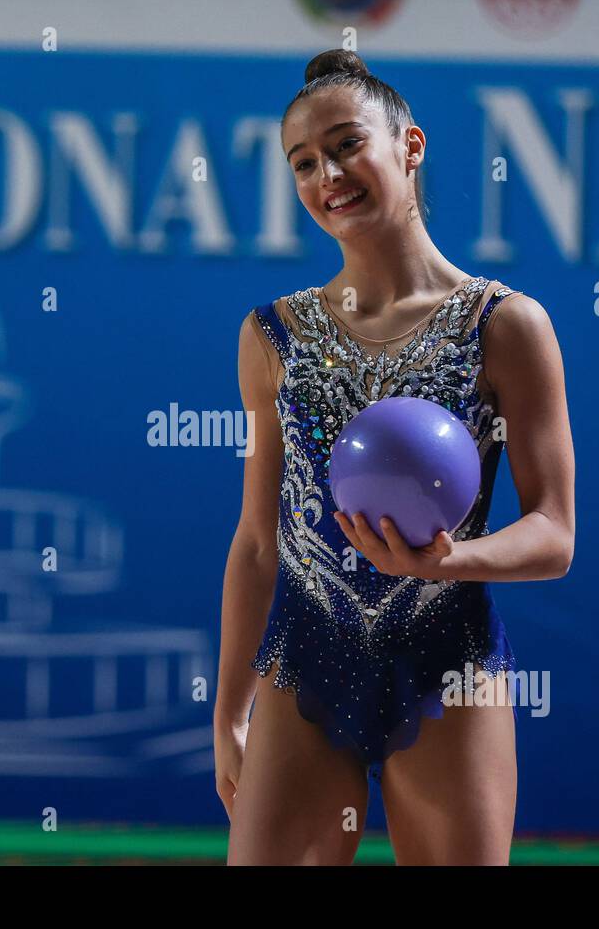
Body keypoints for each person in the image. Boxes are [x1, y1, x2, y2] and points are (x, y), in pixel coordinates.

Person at [215, 49, 576, 865]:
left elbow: (555, 534)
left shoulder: (507, 325)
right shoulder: (273, 335)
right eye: (303, 162)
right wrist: (227, 709)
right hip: (303, 666)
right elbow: (258, 542)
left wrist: (452, 562)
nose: (326, 175)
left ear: (410, 146)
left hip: (449, 667)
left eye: (346, 145)